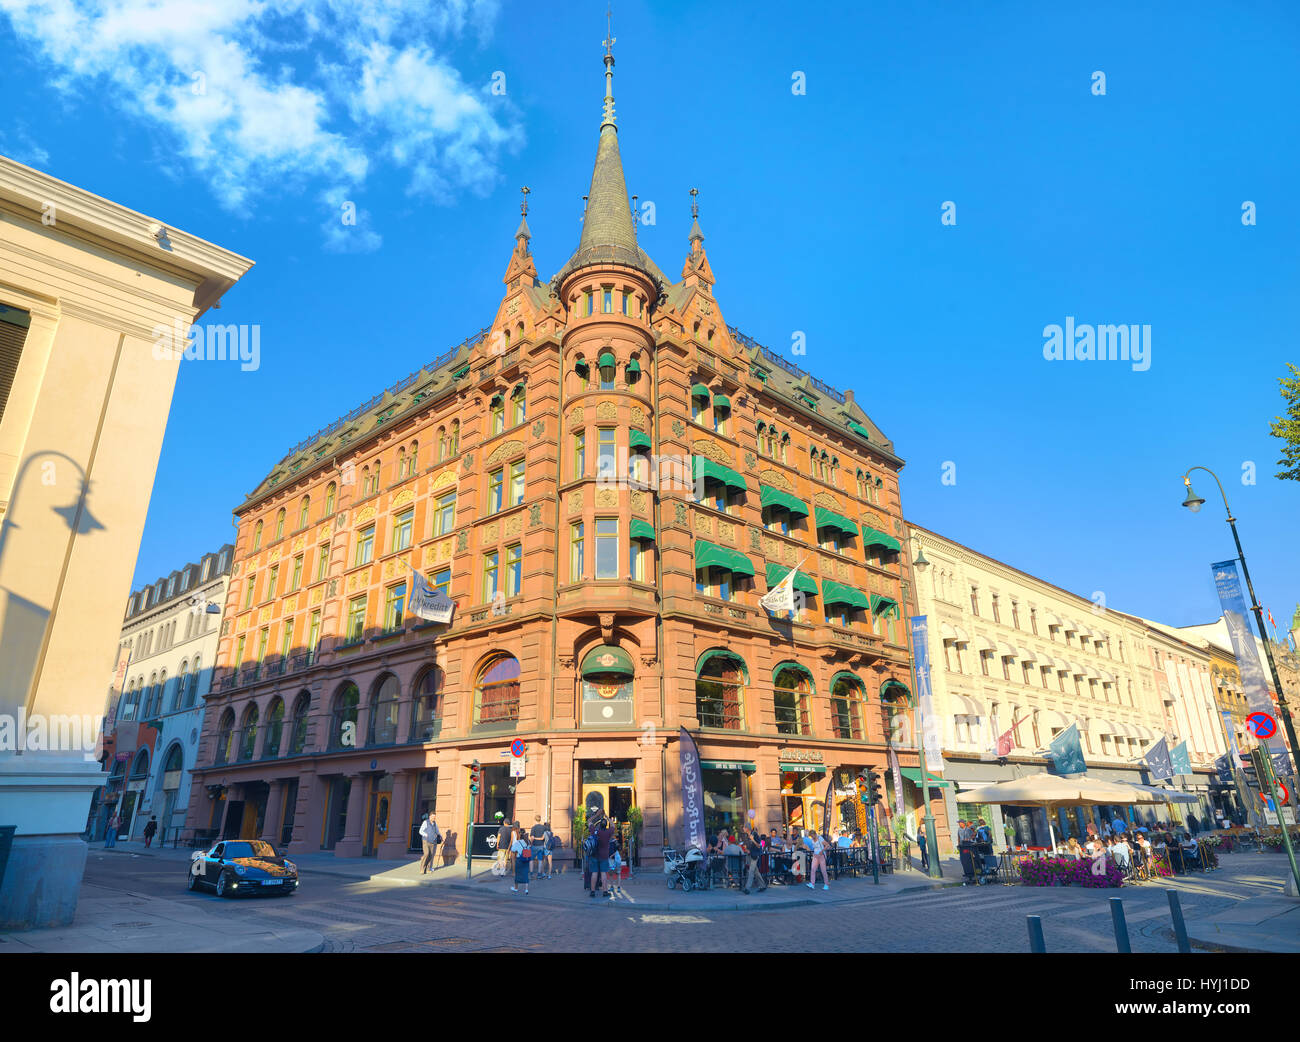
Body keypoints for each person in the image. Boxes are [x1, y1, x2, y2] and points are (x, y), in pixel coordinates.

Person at [591, 814, 613, 898]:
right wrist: (607, 816)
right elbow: (613, 825)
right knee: (603, 873)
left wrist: (597, 814)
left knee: (594, 873)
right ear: (606, 825)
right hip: (604, 855)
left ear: (599, 825)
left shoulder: (595, 831)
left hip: (594, 855)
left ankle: (592, 892)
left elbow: (589, 821)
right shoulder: (608, 832)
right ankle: (605, 892)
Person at [742, 823, 767, 894]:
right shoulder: (746, 835)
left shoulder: (755, 834)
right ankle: (762, 885)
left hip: (755, 855)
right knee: (756, 871)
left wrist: (753, 840)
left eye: (744, 827)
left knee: (751, 871)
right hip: (749, 855)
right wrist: (746, 848)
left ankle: (747, 888)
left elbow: (759, 845)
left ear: (747, 828)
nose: (743, 829)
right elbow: (748, 845)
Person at [510, 828, 531, 895]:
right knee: (525, 874)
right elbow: (530, 848)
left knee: (517, 874)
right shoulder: (528, 842)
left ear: (519, 834)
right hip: (526, 859)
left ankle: (516, 888)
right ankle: (526, 890)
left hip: (519, 859)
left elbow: (513, 849)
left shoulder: (517, 842)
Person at [529, 815, 547, 880]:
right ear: (540, 819)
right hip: (541, 846)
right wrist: (540, 839)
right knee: (540, 860)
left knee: (531, 860)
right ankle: (539, 874)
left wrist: (530, 844)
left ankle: (531, 874)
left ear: (535, 820)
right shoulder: (544, 827)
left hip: (534, 846)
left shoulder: (533, 828)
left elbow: (532, 838)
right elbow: (544, 837)